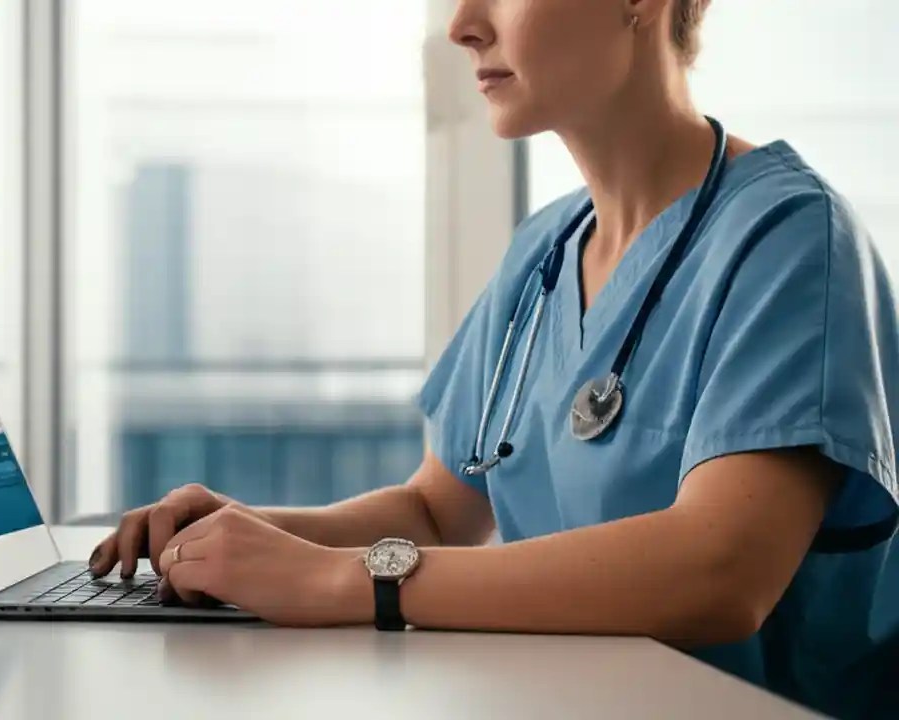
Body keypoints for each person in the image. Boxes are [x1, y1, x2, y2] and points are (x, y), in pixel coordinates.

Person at [89, 1, 898, 716]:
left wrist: (342, 583)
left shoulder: (789, 241)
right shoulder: (547, 248)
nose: (461, 25)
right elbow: (438, 513)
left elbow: (721, 572)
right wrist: (248, 535)